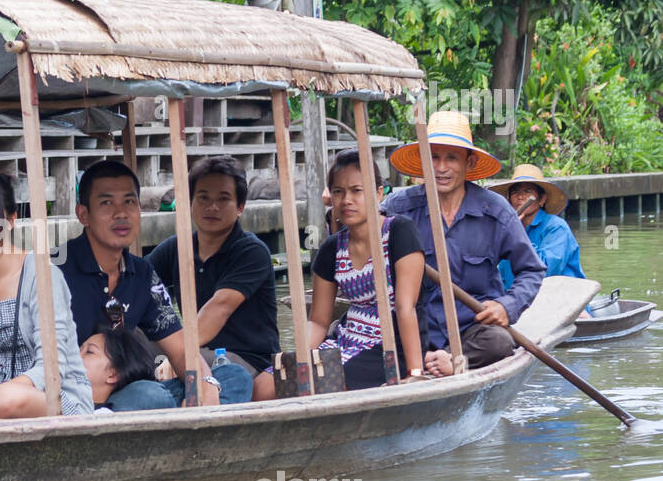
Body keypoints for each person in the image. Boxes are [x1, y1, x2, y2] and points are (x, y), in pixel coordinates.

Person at [383, 111, 545, 374]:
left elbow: (532, 270)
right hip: (414, 328)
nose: (441, 168)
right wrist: (335, 214)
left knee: (499, 342)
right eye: (433, 157)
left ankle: (454, 363)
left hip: (472, 333)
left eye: (451, 158)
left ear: (469, 163)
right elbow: (356, 237)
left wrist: (507, 305)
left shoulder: (496, 211)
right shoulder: (397, 208)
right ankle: (427, 362)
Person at [53, 161, 219, 410]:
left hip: (120, 389)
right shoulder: (54, 269)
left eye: (129, 202)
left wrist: (204, 384)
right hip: (62, 395)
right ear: (83, 214)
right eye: (107, 203)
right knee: (149, 396)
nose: (121, 213)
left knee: (229, 377)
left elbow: (180, 348)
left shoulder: (141, 273)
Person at [0, 170, 93, 419]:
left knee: (5, 399)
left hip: (58, 397)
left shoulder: (42, 275)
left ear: (10, 220)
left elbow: (50, 370)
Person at [307, 149, 451, 389]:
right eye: (338, 192)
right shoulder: (331, 249)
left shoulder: (399, 232)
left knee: (325, 381)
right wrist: (298, 358)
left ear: (378, 193)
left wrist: (415, 372)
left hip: (391, 345)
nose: (346, 200)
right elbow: (319, 322)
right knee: (269, 384)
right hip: (346, 339)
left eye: (357, 191)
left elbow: (406, 308)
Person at [149, 156, 276, 402]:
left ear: (240, 206)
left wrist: (180, 353)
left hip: (243, 358)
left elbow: (219, 308)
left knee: (218, 374)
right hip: (193, 348)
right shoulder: (177, 248)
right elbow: (137, 284)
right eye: (204, 197)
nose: (212, 207)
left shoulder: (251, 251)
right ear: (190, 202)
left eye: (223, 199)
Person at [490, 164, 586, 290]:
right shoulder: (507, 231)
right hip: (520, 299)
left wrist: (517, 234)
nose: (520, 197)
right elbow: (500, 276)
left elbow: (543, 271)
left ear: (542, 199)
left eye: (528, 191)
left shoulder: (556, 227)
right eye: (515, 192)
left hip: (561, 298)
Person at [79, 328, 157, 413]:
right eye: (79, 349)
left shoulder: (105, 416)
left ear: (113, 375)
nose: (76, 355)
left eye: (89, 352)